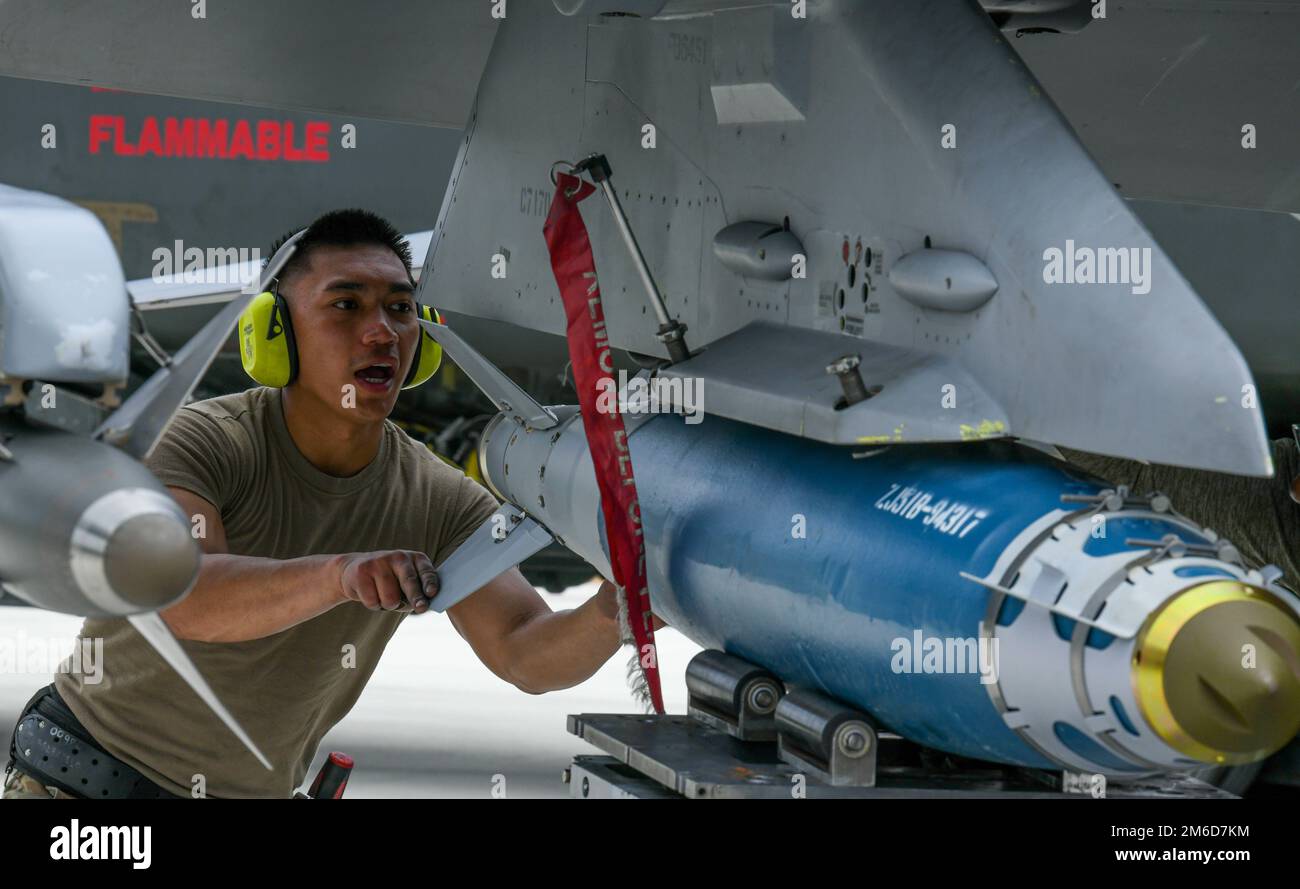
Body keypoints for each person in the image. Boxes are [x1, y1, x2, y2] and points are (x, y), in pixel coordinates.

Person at [4, 209, 628, 799]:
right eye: (345, 304)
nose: (382, 330)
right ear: (276, 333)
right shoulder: (203, 441)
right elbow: (187, 596)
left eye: (401, 309)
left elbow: (523, 651)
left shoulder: (437, 498)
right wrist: (340, 575)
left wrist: (613, 611)